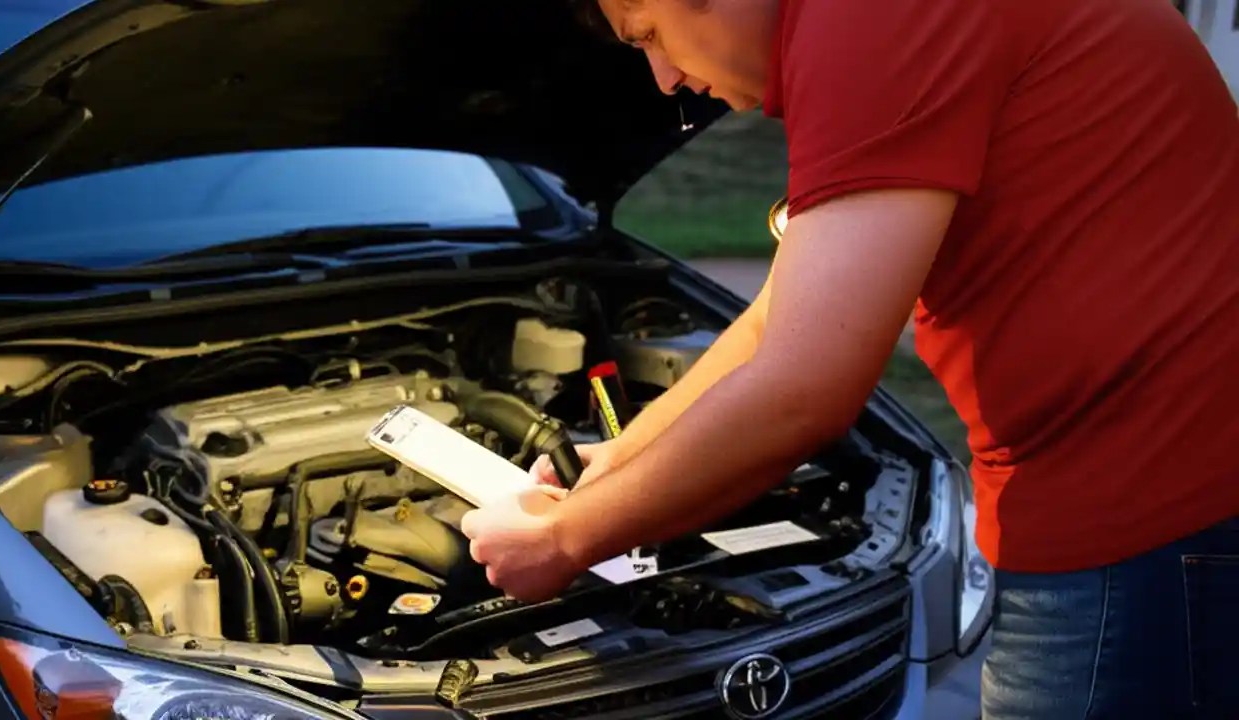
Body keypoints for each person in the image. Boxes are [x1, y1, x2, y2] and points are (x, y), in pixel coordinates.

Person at [460, 0, 1239, 717]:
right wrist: (621, 460)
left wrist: (565, 543)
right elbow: (781, 318)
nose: (663, 79)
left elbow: (805, 386)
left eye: (648, 34)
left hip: (1142, 521)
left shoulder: (870, 20)